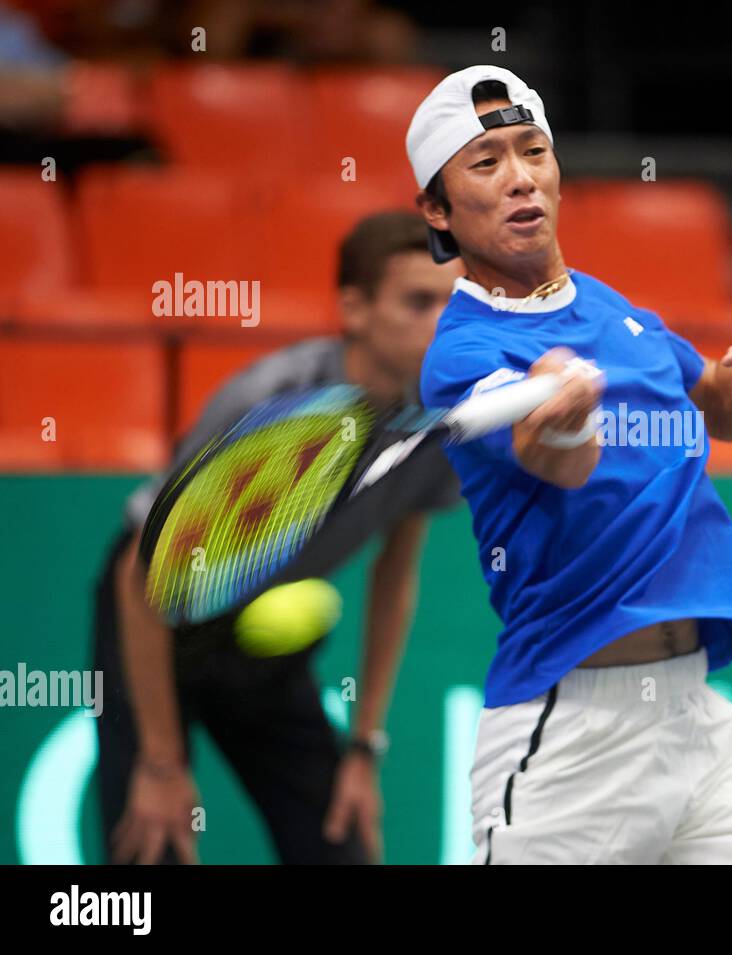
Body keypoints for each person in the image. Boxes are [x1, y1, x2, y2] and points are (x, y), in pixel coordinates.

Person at [408, 66, 732, 864]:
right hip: (571, 733)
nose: (521, 178)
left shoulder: (620, 312)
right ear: (438, 210)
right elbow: (558, 463)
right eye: (486, 164)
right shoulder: (464, 355)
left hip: (692, 719)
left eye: (533, 151)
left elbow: (720, 403)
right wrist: (563, 412)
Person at [94, 210, 463, 864]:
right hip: (158, 614)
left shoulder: (440, 421)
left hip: (264, 632)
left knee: (340, 845)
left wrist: (364, 751)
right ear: (354, 308)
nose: (443, 321)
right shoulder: (273, 400)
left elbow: (395, 574)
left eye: (453, 301)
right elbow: (139, 575)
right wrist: (159, 763)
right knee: (147, 854)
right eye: (418, 301)